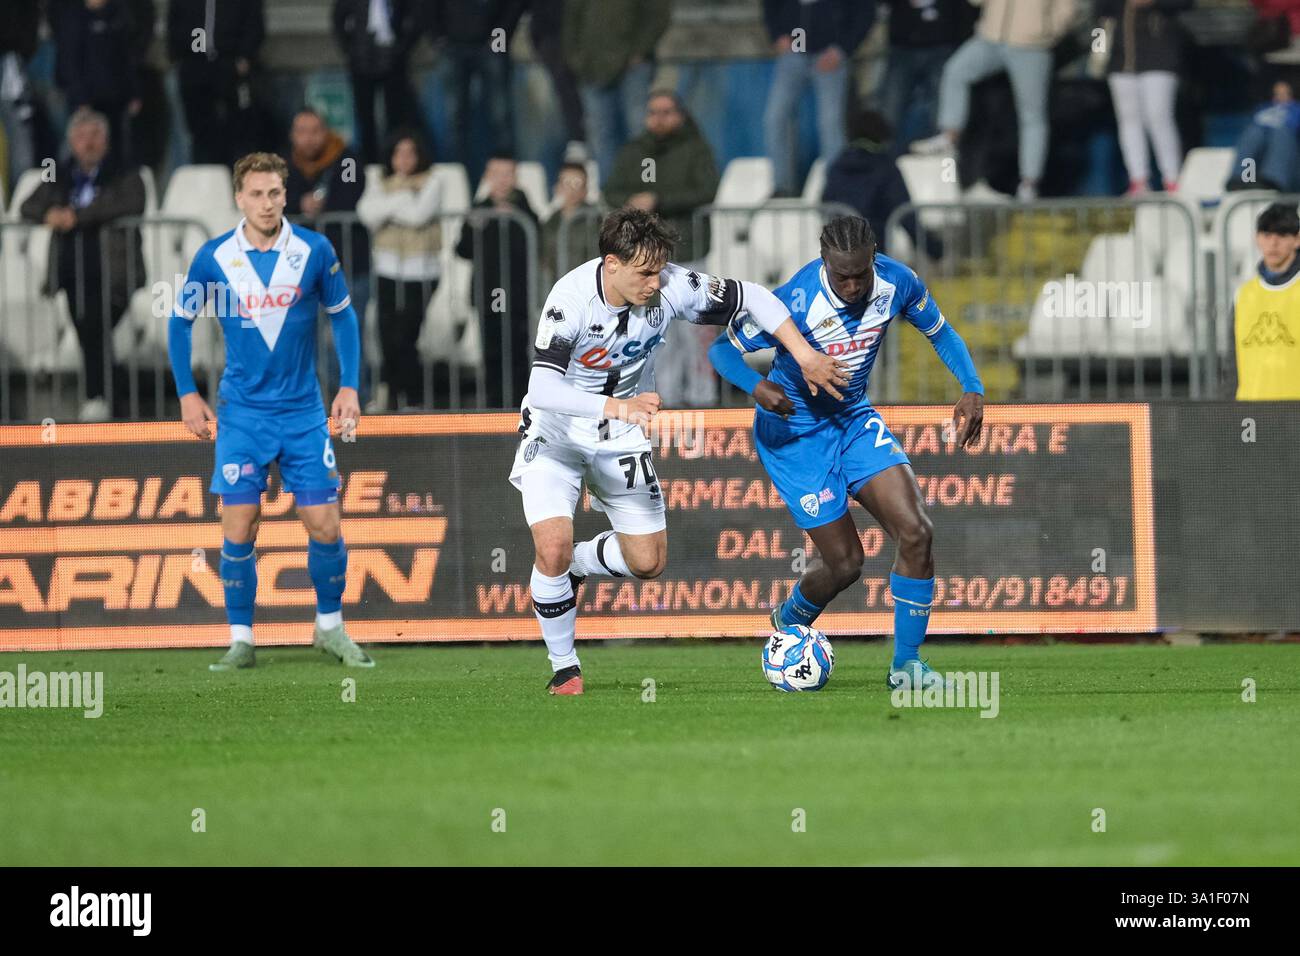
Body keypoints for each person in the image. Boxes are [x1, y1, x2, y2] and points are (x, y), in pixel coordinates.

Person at [512, 208, 847, 694]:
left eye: (659, 270)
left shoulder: (672, 284)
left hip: (620, 435)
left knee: (648, 562)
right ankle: (565, 667)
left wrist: (805, 354)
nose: (654, 283)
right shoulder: (569, 301)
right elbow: (542, 388)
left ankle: (579, 565)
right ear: (611, 263)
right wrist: (616, 405)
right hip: (557, 434)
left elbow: (752, 296)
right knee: (551, 546)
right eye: (644, 273)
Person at [708, 215, 985, 689]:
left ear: (874, 255)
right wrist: (757, 388)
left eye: (861, 273)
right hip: (795, 437)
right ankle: (791, 616)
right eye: (842, 276)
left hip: (853, 420)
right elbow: (721, 352)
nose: (854, 285)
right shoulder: (794, 300)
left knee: (917, 532)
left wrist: (972, 386)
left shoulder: (897, 282)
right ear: (824, 262)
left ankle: (908, 667)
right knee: (846, 565)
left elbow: (939, 331)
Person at [167, 152, 372, 671]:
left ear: (285, 194)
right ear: (239, 197)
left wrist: (349, 386)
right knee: (239, 524)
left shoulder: (314, 249)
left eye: (275, 193)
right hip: (242, 416)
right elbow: (179, 322)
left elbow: (344, 320)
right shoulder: (214, 257)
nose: (266, 203)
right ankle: (241, 639)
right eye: (256, 194)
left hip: (304, 413)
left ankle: (329, 628)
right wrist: (188, 392)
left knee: (325, 524)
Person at [19, 107, 145, 423]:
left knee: (95, 327)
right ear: (71, 141)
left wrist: (78, 216)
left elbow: (132, 200)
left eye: (94, 136)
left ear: (106, 139)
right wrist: (49, 214)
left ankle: (98, 398)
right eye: (80, 136)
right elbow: (28, 205)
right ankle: (113, 401)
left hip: (114, 271)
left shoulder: (123, 170)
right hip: (70, 270)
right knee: (89, 330)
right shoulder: (58, 172)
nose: (87, 143)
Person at [604, 90, 721, 407]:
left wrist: (658, 199)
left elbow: (706, 189)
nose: (659, 118)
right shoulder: (634, 150)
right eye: (653, 112)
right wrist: (632, 201)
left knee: (696, 331)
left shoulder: (695, 149)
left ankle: (703, 402)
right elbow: (611, 189)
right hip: (648, 260)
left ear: (680, 115)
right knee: (659, 331)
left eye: (666, 111)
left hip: (691, 253)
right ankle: (664, 400)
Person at [912, 0, 1078, 200]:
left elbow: (1068, 8)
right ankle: (949, 136)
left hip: (1032, 45)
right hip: (991, 37)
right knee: (955, 71)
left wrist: (1047, 31)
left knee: (1032, 114)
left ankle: (1029, 183)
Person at [284, 108, 371, 399]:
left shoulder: (347, 158)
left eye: (314, 130)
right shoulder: (284, 165)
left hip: (348, 263)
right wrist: (299, 202)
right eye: (301, 131)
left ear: (325, 131)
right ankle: (317, 398)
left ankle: (356, 396)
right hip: (303, 269)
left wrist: (319, 205)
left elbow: (350, 195)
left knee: (346, 333)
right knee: (305, 333)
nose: (308, 139)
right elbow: (278, 201)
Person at [356, 129, 443, 411]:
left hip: (423, 271)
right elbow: (367, 214)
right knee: (386, 333)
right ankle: (392, 396)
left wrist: (389, 206)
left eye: (410, 153)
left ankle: (413, 397)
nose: (404, 159)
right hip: (387, 268)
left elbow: (419, 216)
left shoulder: (433, 181)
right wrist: (404, 197)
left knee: (407, 333)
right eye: (398, 153)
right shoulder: (379, 181)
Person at [762, 0, 878, 196]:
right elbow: (770, 5)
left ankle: (835, 186)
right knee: (775, 118)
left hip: (829, 52)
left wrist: (842, 49)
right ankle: (782, 187)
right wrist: (777, 34)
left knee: (830, 124)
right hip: (796, 48)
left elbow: (865, 11)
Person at [455, 153, 538, 409]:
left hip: (518, 294)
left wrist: (513, 217)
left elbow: (534, 246)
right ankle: (493, 407)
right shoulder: (479, 208)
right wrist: (474, 226)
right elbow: (462, 250)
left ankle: (520, 406)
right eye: (496, 174)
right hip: (486, 292)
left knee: (518, 351)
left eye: (507, 174)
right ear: (486, 178)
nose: (502, 181)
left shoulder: (525, 211)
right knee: (490, 351)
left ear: (515, 177)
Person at [564, 0, 670, 184]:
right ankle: (610, 196)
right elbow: (570, 19)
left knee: (640, 132)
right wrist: (577, 59)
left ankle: (645, 190)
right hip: (592, 69)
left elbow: (659, 14)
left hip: (634, 69)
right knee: (601, 136)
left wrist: (639, 52)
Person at [1095, 0, 1191, 195]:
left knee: (1158, 117)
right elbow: (1100, 16)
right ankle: (1138, 180)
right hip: (1120, 61)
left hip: (1160, 57)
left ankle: (1172, 180)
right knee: (1129, 120)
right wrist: (1098, 54)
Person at [167, 0, 266, 168]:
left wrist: (245, 56)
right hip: (194, 67)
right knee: (200, 133)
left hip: (230, 67)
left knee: (237, 131)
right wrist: (179, 56)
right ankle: (204, 181)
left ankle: (237, 180)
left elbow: (254, 22)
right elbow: (174, 23)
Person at [877, 0, 977, 154]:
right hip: (902, 46)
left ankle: (945, 168)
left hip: (944, 44)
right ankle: (880, 164)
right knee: (890, 109)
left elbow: (966, 9)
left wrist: (960, 42)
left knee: (943, 112)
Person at [331, 0, 423, 166]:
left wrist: (402, 49)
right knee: (365, 118)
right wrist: (351, 51)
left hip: (393, 62)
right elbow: (338, 19)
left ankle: (394, 162)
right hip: (361, 62)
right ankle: (369, 163)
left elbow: (417, 17)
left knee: (396, 116)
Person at [52, 0, 142, 167]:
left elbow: (126, 57)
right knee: (81, 150)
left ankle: (115, 189)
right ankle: (77, 187)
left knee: (116, 151)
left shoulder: (118, 13)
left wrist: (133, 92)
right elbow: (68, 62)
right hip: (86, 101)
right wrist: (79, 99)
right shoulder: (73, 16)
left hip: (115, 99)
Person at [1228, 202, 1300, 400]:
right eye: (1267, 235)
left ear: (1297, 239)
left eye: (1282, 235)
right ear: (1257, 239)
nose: (1273, 243)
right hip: (1252, 412)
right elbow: (1232, 363)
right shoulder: (1243, 294)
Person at [1227, 80, 1300, 193]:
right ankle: (1242, 177)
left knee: (1281, 132)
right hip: (1263, 157)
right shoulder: (1263, 108)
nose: (1279, 97)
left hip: (1290, 162)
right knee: (1254, 132)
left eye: (1283, 94)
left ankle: (1273, 179)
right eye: (1276, 94)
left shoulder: (1296, 109)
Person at [0, 0, 42, 195]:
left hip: (12, 63)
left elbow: (28, 14)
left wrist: (21, 49)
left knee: (20, 140)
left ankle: (21, 201)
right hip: (14, 56)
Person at [541, 160, 600, 286]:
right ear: (557, 187)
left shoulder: (596, 219)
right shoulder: (551, 222)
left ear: (586, 189)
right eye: (567, 183)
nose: (572, 189)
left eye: (577, 183)